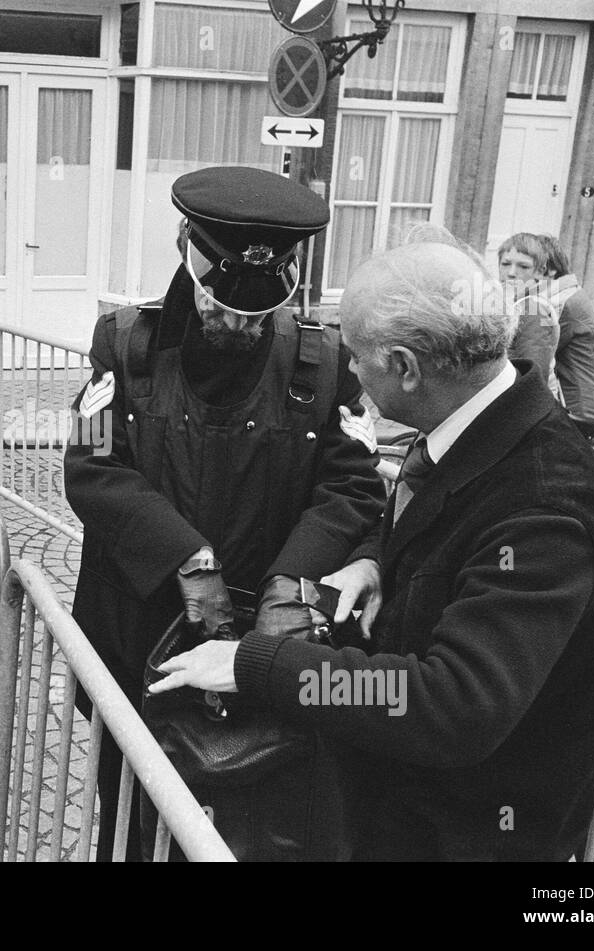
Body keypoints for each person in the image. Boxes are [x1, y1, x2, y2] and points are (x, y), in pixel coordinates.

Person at [150, 240, 594, 861]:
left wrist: (259, 667)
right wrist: (375, 560)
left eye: (355, 356)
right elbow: (440, 523)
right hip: (407, 802)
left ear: (405, 368)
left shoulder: (544, 506)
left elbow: (455, 704)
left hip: (472, 835)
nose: (347, 373)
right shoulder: (471, 424)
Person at [63, 166, 388, 860]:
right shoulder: (122, 343)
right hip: (137, 638)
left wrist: (287, 587)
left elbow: (355, 485)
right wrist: (188, 558)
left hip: (260, 646)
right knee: (127, 820)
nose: (237, 322)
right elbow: (91, 467)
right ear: (187, 250)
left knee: (240, 825)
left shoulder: (323, 362)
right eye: (221, 302)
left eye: (255, 309)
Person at [537, 233, 594, 434]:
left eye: (527, 266)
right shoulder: (568, 292)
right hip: (589, 398)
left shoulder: (558, 303)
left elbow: (532, 354)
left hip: (577, 405)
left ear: (551, 270)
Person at [498, 232, 563, 403]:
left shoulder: (533, 308)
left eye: (523, 267)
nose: (511, 273)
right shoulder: (512, 303)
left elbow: (533, 376)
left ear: (540, 272)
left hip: (527, 407)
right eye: (505, 264)